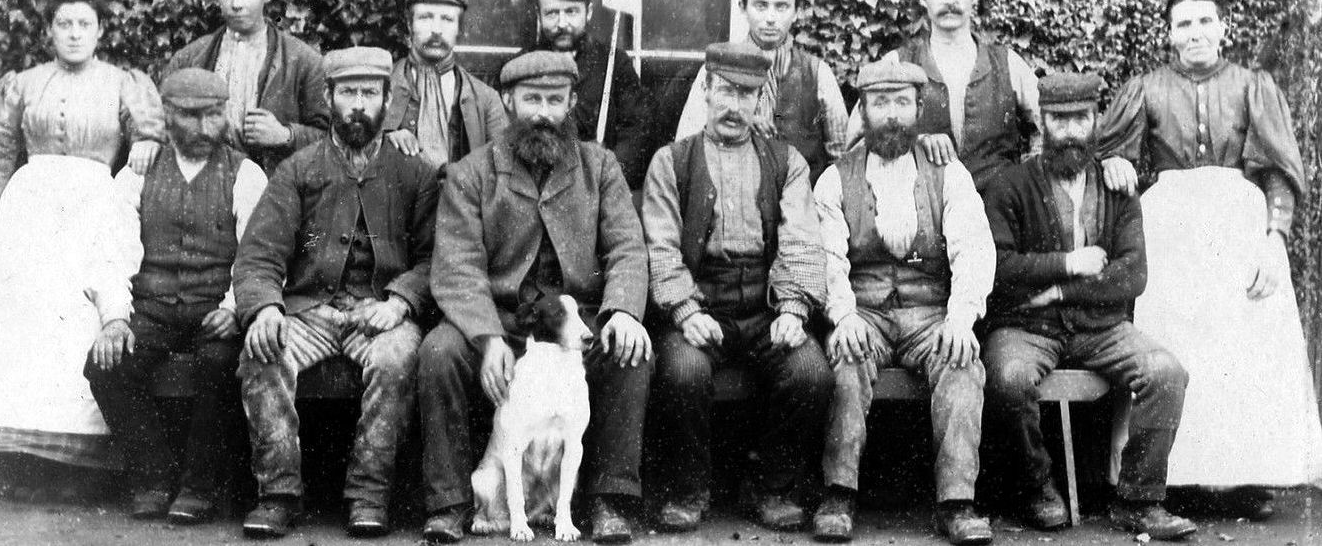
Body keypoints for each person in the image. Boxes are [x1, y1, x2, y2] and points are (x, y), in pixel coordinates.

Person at [1099, 0, 1322, 516]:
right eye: (1183, 24)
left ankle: (1250, 477)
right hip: (1170, 229)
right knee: (1179, 344)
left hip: (1238, 226)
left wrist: (1275, 240)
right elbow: (1110, 156)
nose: (1195, 33)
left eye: (1205, 22)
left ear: (1222, 28)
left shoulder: (1252, 87)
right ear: (1169, 34)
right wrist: (1116, 163)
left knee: (1242, 351)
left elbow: (1277, 175)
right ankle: (1176, 478)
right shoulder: (1146, 89)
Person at [418, 51, 652, 544]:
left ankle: (609, 499)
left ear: (570, 105)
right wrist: (486, 337)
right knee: (440, 352)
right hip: (498, 318)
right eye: (531, 100)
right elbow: (457, 266)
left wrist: (625, 311)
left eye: (555, 100)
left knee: (631, 352)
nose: (543, 112)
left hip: (576, 320)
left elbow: (628, 247)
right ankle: (452, 502)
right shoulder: (472, 173)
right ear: (507, 101)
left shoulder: (599, 167)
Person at [232, 47, 439, 539]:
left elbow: (438, 258)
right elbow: (260, 253)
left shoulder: (415, 172)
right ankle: (278, 493)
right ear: (328, 97)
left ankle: (368, 496)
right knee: (263, 352)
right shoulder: (299, 170)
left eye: (370, 93)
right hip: (310, 311)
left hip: (382, 312)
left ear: (388, 100)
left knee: (394, 360)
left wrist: (401, 301)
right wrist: (264, 308)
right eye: (348, 92)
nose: (359, 105)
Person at [981, 73, 1196, 541]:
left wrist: (1062, 290)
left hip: (1100, 326)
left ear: (1096, 121)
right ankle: (1037, 488)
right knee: (1008, 378)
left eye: (1081, 118)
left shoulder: (1118, 186)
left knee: (1166, 372)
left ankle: (1139, 501)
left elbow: (1132, 274)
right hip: (1027, 324)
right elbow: (998, 267)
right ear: (1042, 123)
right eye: (1060, 119)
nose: (1071, 130)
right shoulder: (1010, 185)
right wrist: (1066, 262)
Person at [642, 42, 832, 533]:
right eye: (725, 91)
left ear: (760, 101)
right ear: (705, 91)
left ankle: (771, 486)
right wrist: (685, 310)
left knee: (810, 371)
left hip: (766, 304)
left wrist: (792, 308)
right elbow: (659, 245)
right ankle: (689, 488)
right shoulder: (672, 161)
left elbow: (801, 239)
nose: (734, 106)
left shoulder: (785, 162)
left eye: (747, 95)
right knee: (682, 370)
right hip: (700, 301)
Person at [0, 0, 164, 471]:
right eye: (65, 24)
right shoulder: (23, 84)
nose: (75, 34)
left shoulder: (123, 83)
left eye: (85, 24)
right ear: (49, 31)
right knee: (25, 323)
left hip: (92, 206)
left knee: (79, 317)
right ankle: (19, 456)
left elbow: (150, 135)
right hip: (30, 212)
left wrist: (147, 140)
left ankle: (77, 457)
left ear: (101, 31)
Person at [811, 60, 995, 545]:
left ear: (918, 110)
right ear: (864, 111)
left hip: (928, 313)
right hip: (865, 311)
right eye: (879, 104)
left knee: (962, 364)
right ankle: (838, 494)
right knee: (845, 358)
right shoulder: (835, 178)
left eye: (901, 104)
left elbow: (973, 247)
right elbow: (827, 254)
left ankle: (957, 503)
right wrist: (843, 315)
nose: (891, 115)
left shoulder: (947, 173)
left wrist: (961, 320)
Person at [83, 68, 267, 523]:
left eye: (213, 115)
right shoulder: (138, 173)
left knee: (221, 364)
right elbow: (111, 251)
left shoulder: (246, 174)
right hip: (155, 307)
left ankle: (199, 486)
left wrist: (234, 308)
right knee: (106, 367)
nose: (204, 128)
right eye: (190, 116)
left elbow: (259, 255)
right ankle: (153, 475)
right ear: (166, 116)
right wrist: (114, 319)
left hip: (215, 307)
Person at [879, 0, 1040, 192]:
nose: (950, 0)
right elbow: (861, 145)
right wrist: (915, 142)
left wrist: (1024, 182)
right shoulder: (897, 64)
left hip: (996, 216)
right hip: (924, 211)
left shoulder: (1008, 63)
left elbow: (1049, 125)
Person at [674, 0, 850, 184]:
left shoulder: (817, 73)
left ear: (796, 12)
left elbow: (842, 160)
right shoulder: (716, 70)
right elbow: (686, 147)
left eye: (781, 7)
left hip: (802, 206)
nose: (770, 18)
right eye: (761, 5)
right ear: (742, 7)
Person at [163, 0, 329, 173]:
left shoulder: (303, 61)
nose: (236, 4)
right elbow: (160, 117)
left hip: (274, 186)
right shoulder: (189, 58)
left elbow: (332, 137)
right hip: (207, 181)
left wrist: (286, 135)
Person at [508, 0, 654, 189]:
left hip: (597, 186)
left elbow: (636, 128)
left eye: (571, 12)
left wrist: (611, 171)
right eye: (552, 13)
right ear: (539, 15)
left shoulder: (614, 63)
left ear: (589, 12)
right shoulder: (521, 67)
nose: (562, 23)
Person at [383, 0, 507, 171]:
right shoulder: (381, 86)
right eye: (426, 17)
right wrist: (386, 140)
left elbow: (502, 167)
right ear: (409, 25)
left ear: (460, 29)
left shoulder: (486, 99)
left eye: (447, 20)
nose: (436, 30)